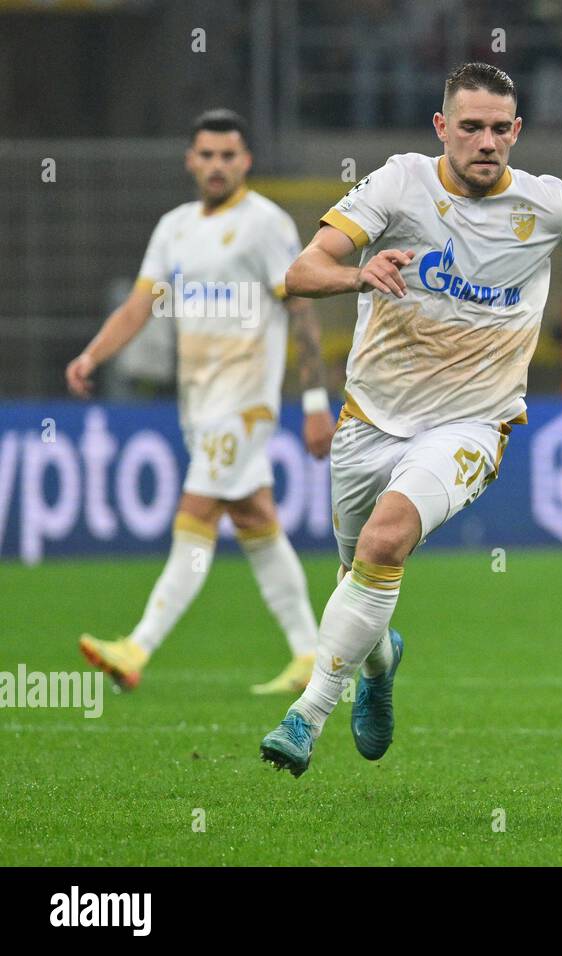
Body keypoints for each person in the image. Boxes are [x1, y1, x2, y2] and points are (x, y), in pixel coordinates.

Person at [258, 62, 562, 776]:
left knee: (385, 542)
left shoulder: (549, 204)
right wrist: (360, 273)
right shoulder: (398, 185)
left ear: (518, 132)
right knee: (359, 578)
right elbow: (299, 272)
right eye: (470, 126)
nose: (486, 141)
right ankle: (380, 666)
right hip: (370, 419)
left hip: (474, 423)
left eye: (500, 128)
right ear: (442, 128)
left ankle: (306, 715)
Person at [68, 109, 333, 695]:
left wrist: (316, 400)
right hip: (199, 402)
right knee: (254, 518)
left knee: (195, 514)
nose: (217, 166)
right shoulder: (174, 228)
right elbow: (141, 306)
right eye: (206, 155)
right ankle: (311, 653)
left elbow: (301, 307)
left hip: (246, 403)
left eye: (228, 155)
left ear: (246, 162)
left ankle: (138, 646)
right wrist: (94, 355)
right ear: (191, 160)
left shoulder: (266, 225)